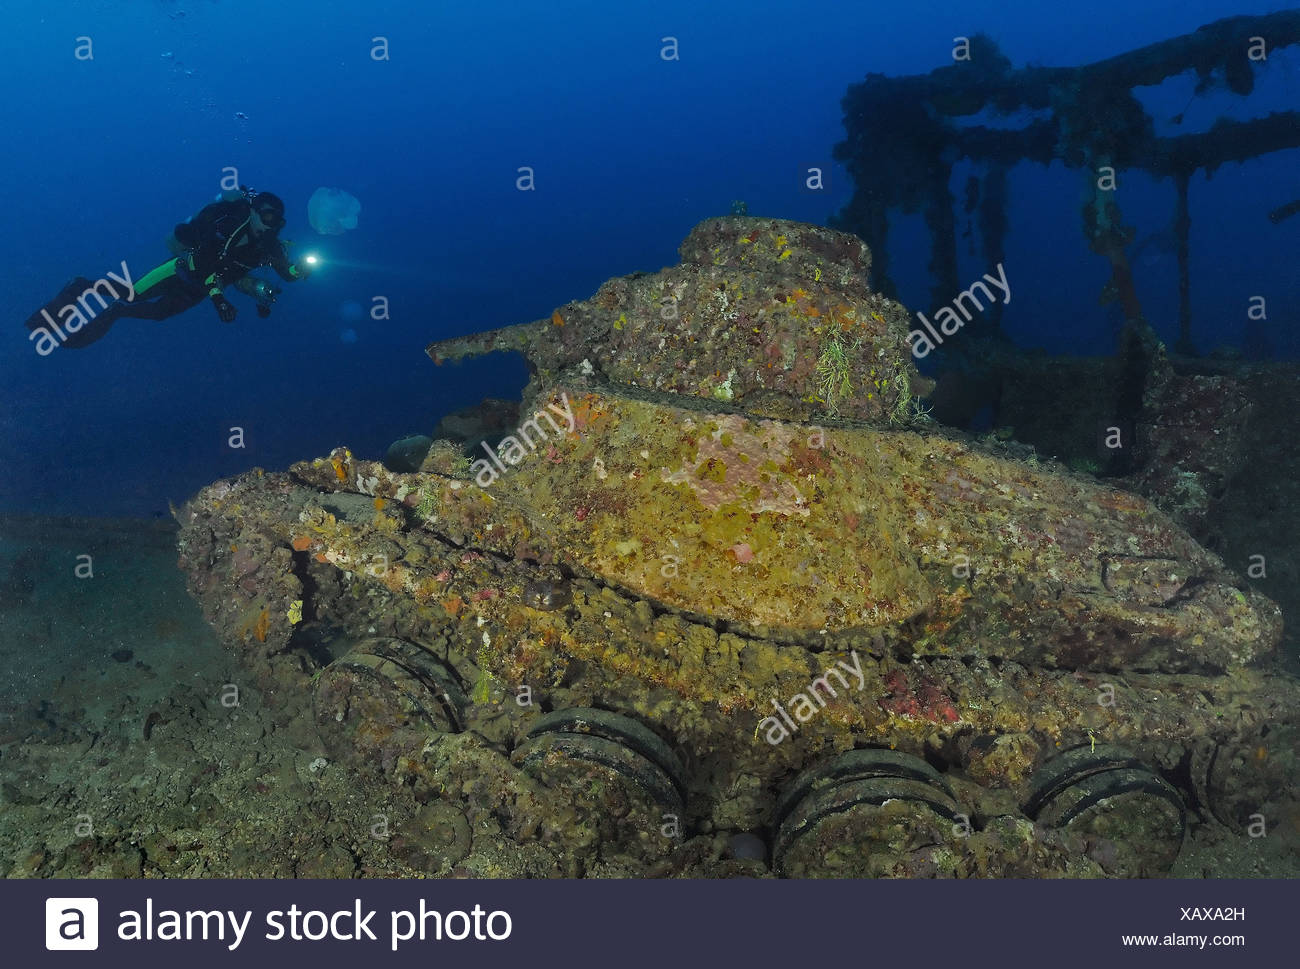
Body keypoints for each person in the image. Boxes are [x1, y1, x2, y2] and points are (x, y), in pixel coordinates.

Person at [24, 188, 313, 350]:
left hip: (199, 291)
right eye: (266, 217)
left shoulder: (271, 247)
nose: (270, 225)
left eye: (277, 221)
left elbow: (288, 274)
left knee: (156, 314)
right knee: (132, 294)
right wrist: (220, 299)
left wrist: (301, 271)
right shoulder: (225, 228)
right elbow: (211, 266)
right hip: (179, 272)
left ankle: (110, 315)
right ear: (253, 211)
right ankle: (80, 286)